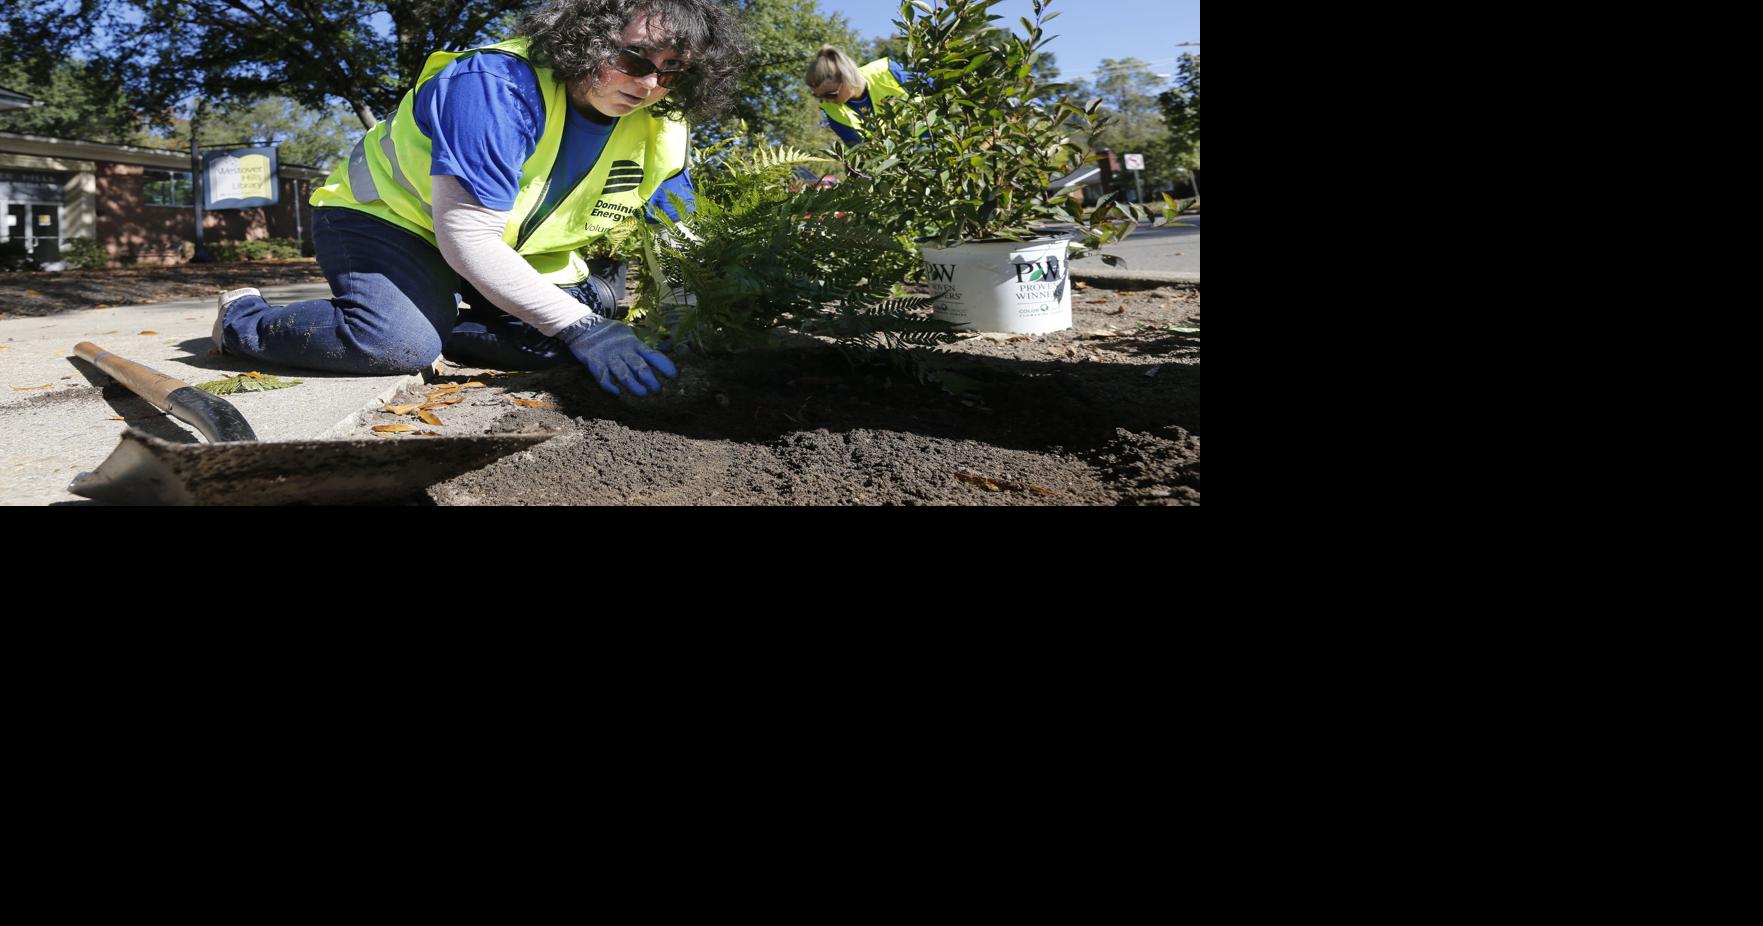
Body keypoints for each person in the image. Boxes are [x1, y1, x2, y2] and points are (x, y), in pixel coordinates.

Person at [211, 0, 744, 397]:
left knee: (572, 329)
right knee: (396, 344)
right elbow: (467, 235)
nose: (650, 84)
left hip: (505, 245)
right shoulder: (496, 85)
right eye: (634, 58)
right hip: (389, 221)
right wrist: (585, 329)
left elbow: (676, 238)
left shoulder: (663, 124)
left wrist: (684, 322)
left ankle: (435, 320)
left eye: (672, 70)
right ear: (588, 36)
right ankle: (243, 319)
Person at [805, 45, 909, 147]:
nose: (827, 101)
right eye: (819, 97)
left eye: (831, 94)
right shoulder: (832, 112)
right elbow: (861, 150)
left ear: (846, 78)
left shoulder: (888, 71)